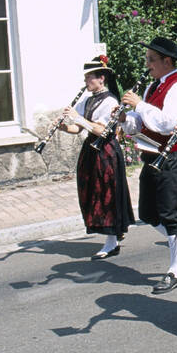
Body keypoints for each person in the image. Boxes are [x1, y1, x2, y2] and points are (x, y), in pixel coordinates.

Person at [119, 37, 177, 292]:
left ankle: (175, 269)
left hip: (174, 156)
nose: (147, 64)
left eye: (151, 60)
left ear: (167, 61)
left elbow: (168, 123)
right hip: (152, 155)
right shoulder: (152, 87)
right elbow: (140, 124)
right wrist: (124, 118)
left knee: (169, 214)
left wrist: (140, 106)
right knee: (148, 213)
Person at [58, 56, 135, 259]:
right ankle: (112, 236)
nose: (86, 82)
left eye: (89, 77)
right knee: (92, 192)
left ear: (101, 78)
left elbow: (101, 130)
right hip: (91, 150)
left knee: (106, 194)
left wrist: (79, 118)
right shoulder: (88, 99)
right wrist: (64, 126)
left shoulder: (109, 100)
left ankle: (111, 241)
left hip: (106, 152)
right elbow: (77, 128)